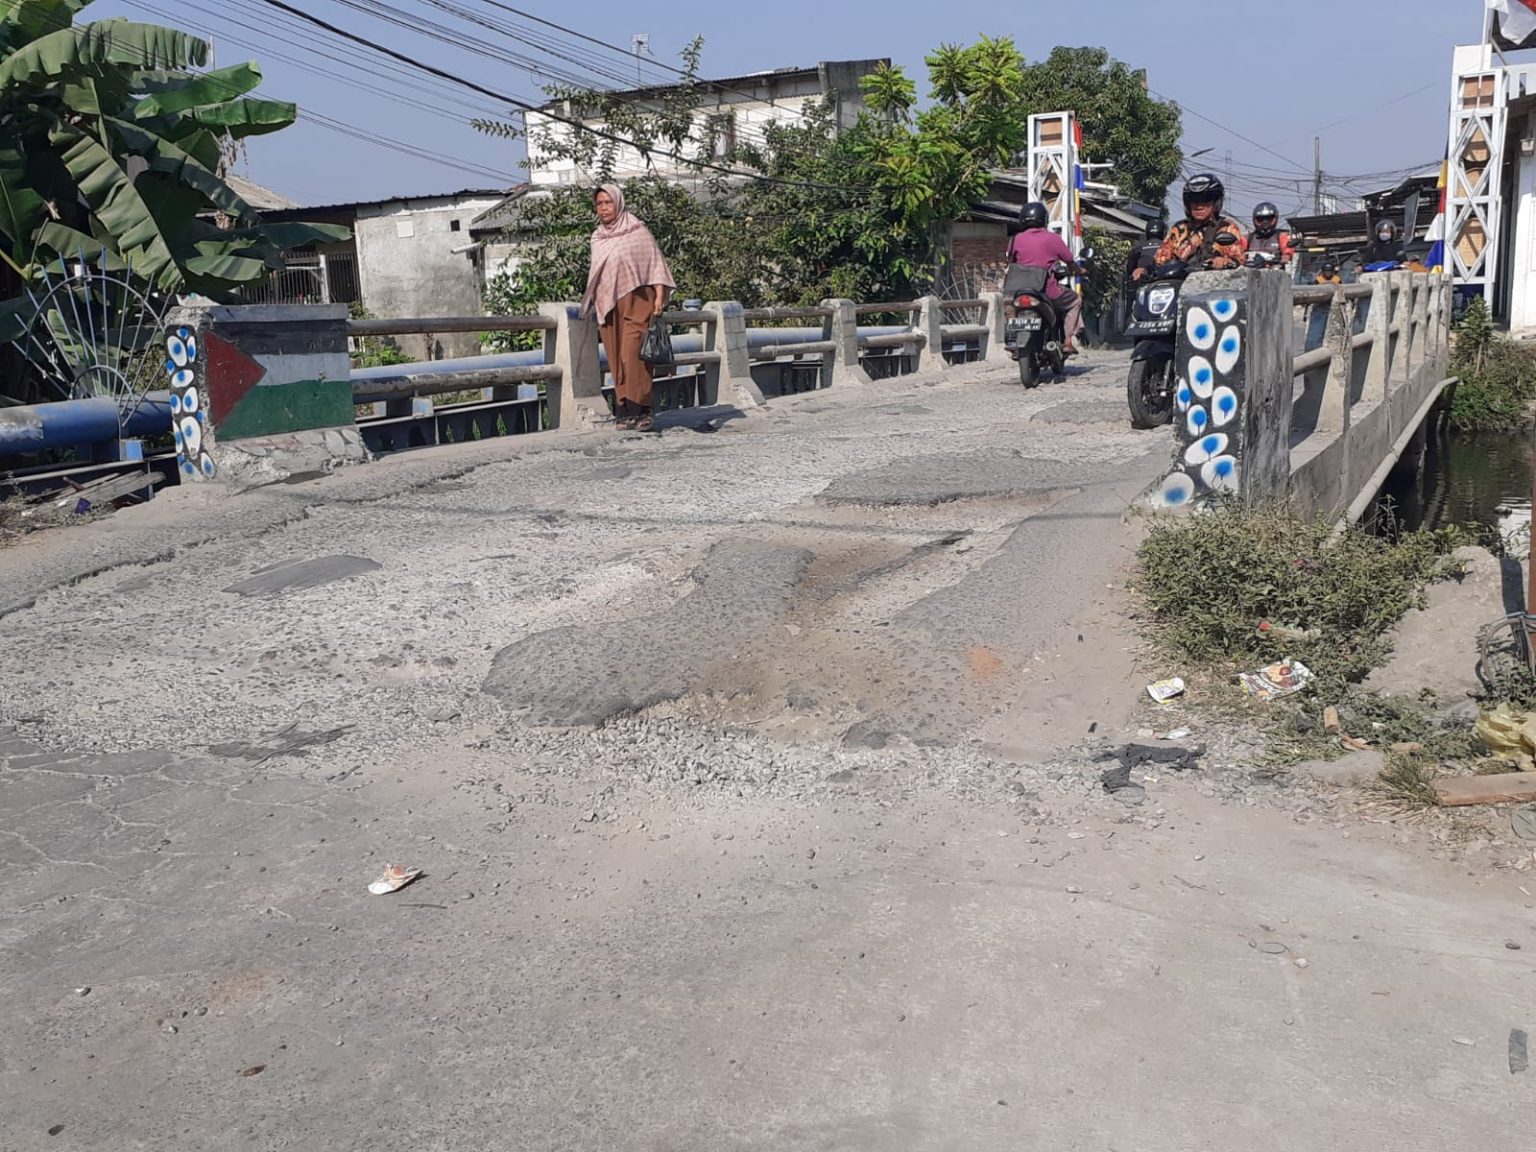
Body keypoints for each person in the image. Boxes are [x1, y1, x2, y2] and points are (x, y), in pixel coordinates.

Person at [581, 184, 676, 432]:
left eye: (608, 203)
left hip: (638, 299)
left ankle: (642, 409)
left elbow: (655, 263)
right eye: (599, 204)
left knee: (634, 354)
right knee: (616, 357)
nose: (603, 208)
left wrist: (659, 296)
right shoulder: (598, 237)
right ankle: (624, 408)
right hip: (609, 304)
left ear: (619, 203)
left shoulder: (637, 231)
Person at [1007, 201, 1087, 355]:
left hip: (1017, 290)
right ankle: (1068, 341)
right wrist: (1078, 271)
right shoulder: (1052, 239)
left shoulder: (1015, 239)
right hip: (1047, 290)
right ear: (1044, 219)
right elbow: (1070, 262)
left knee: (1011, 311)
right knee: (1075, 300)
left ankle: (1013, 339)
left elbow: (1011, 261)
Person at [1154, 174, 1246, 270]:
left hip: (1213, 281)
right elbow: (1160, 260)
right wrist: (1144, 269)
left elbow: (1239, 260)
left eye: (1205, 199)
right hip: (1180, 281)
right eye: (1194, 199)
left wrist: (1224, 261)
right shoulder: (1179, 229)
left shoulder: (1227, 227)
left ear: (1216, 202)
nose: (1199, 206)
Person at [1247, 201, 1295, 266]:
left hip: (1274, 272)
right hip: (1249, 273)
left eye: (1269, 219)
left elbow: (1287, 249)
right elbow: (1238, 250)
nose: (1265, 223)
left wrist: (1286, 256)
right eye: (1260, 219)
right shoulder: (1248, 238)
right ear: (1255, 220)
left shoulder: (1281, 236)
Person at [1128, 220, 1167, 284]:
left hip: (1142, 284)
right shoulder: (1169, 247)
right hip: (1162, 282)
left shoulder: (1138, 247)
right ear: (1164, 232)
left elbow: (1129, 269)